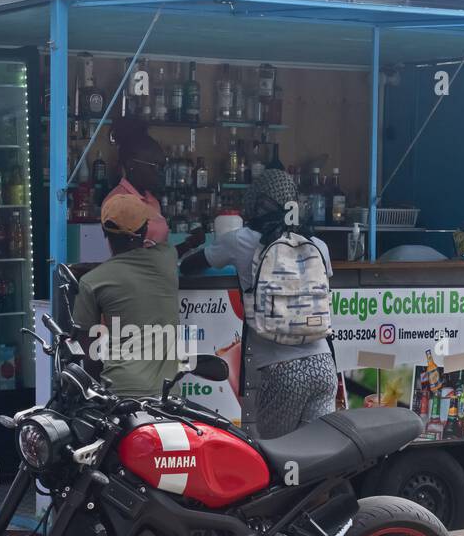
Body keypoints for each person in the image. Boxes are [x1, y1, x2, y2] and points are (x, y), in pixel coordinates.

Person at [179, 167, 335, 439]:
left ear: (258, 202)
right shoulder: (317, 243)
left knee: (277, 458)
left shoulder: (241, 240)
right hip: (323, 365)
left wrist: (185, 249)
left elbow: (190, 266)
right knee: (318, 457)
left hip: (281, 371)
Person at [72, 195, 182, 397]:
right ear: (144, 230)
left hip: (120, 391)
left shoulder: (92, 282)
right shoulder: (168, 256)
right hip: (168, 394)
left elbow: (89, 356)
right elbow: (133, 265)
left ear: (104, 233)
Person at [104, 119, 169, 246]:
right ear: (131, 164)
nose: (161, 173)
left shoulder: (151, 201)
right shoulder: (118, 203)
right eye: (155, 166)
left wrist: (188, 245)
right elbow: (130, 256)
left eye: (163, 167)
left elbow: (158, 253)